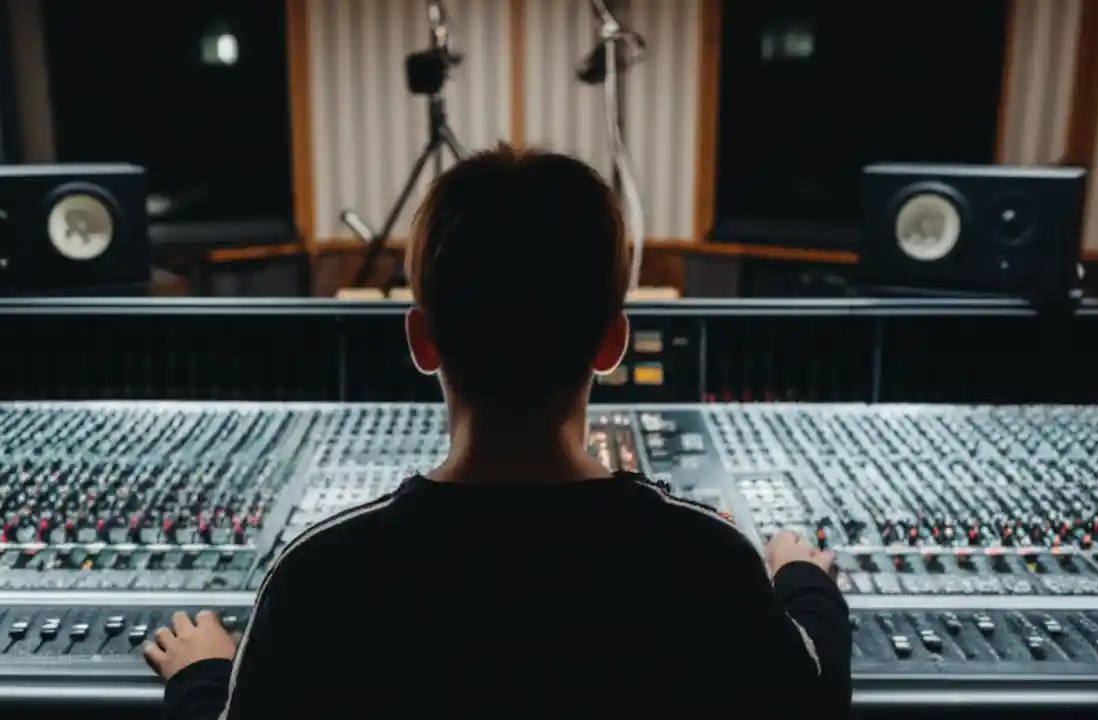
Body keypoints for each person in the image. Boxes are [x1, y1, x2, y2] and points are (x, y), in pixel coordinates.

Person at [144, 145, 851, 718]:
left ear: (421, 341)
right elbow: (815, 698)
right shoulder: (711, 562)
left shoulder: (318, 579)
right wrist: (800, 581)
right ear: (613, 343)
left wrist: (205, 677)